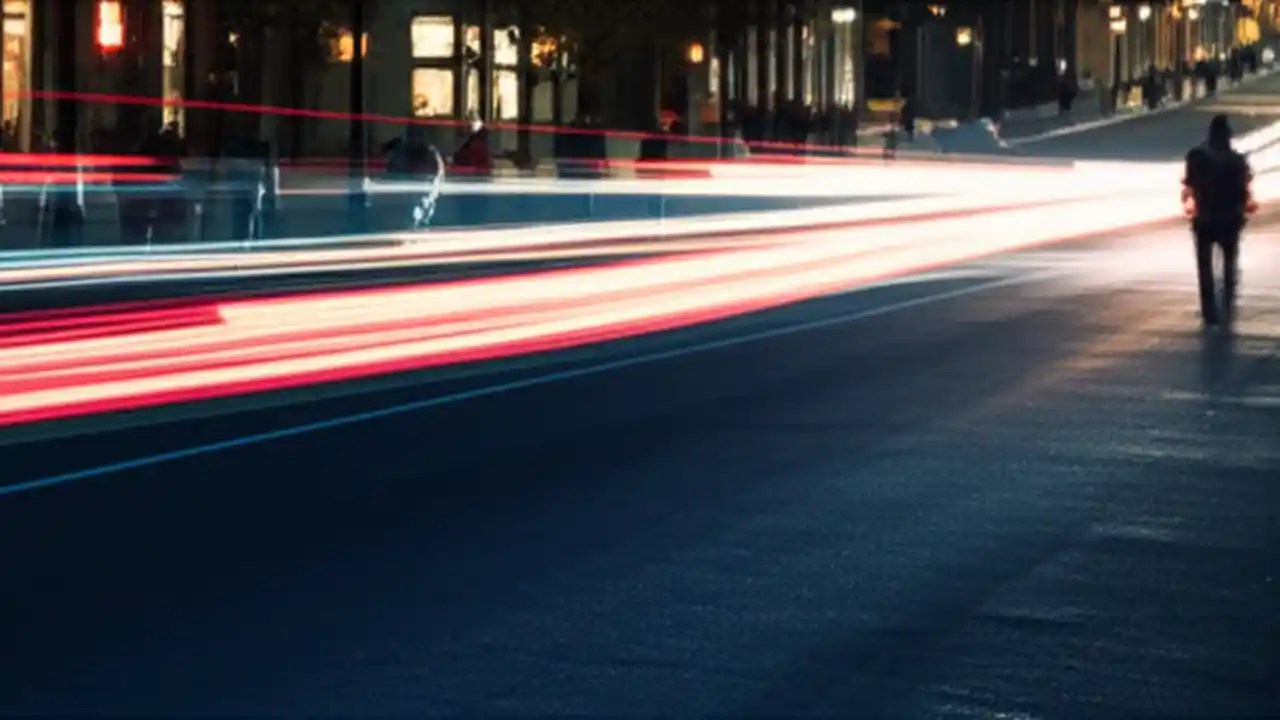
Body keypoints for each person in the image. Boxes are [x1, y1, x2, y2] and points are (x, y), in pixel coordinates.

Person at [1182, 115, 1257, 326]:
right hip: (1229, 219)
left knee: (1204, 265)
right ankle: (1228, 299)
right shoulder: (1236, 161)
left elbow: (1189, 184)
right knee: (1229, 261)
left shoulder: (1197, 157)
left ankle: (1208, 309)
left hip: (1205, 218)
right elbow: (1244, 190)